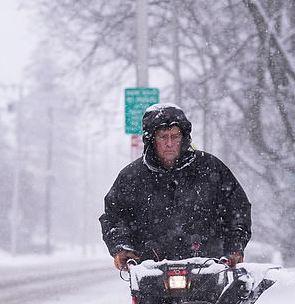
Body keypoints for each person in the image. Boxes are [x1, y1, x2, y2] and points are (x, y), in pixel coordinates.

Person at [100, 103, 252, 270]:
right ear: (151, 139)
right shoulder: (132, 177)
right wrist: (122, 248)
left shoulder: (210, 168)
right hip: (151, 270)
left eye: (175, 136)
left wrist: (235, 246)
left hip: (208, 267)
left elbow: (237, 208)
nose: (170, 143)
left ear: (184, 137)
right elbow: (114, 216)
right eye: (163, 137)